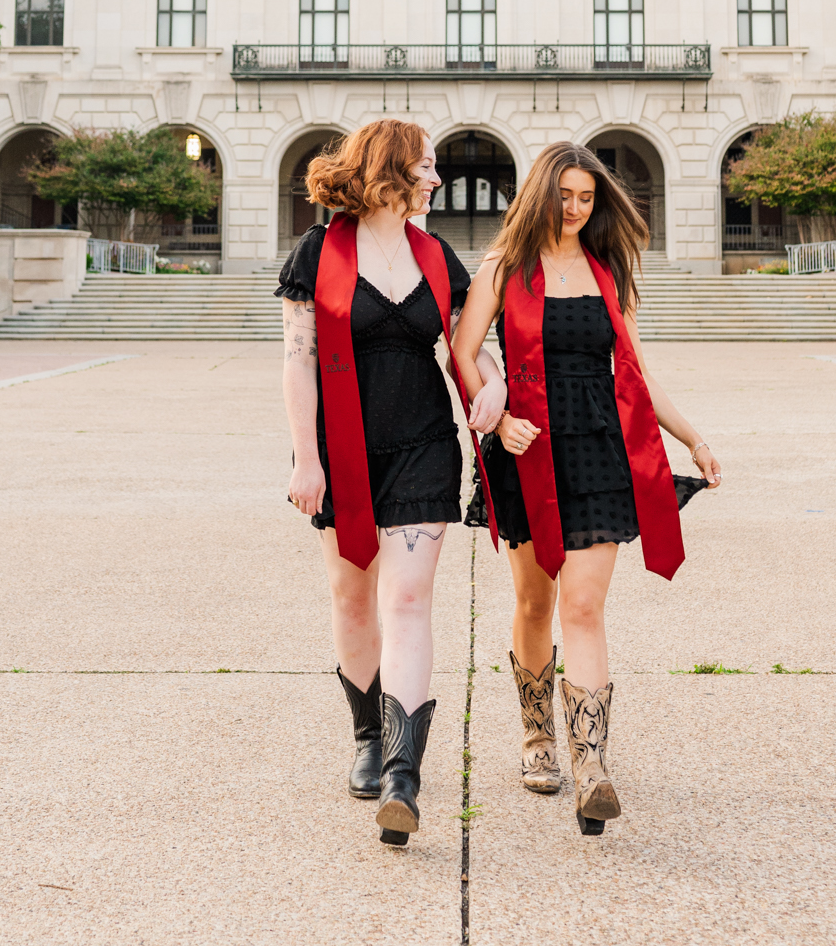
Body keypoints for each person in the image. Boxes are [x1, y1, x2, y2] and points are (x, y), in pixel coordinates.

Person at [454, 140, 721, 836]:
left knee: (583, 603)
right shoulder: (502, 269)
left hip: (599, 448)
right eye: (564, 195)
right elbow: (462, 351)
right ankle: (537, 737)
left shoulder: (609, 273)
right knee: (534, 600)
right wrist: (500, 416)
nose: (574, 209)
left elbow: (635, 369)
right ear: (541, 193)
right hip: (528, 450)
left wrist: (690, 436)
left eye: (585, 198)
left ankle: (592, 764)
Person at [277, 119, 506, 846]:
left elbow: (470, 345)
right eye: (427, 167)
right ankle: (368, 739)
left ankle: (404, 771)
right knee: (352, 597)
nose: (436, 179)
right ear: (391, 170)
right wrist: (303, 460)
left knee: (407, 598)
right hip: (342, 449)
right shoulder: (318, 251)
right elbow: (298, 360)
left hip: (423, 445)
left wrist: (493, 388)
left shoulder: (437, 256)